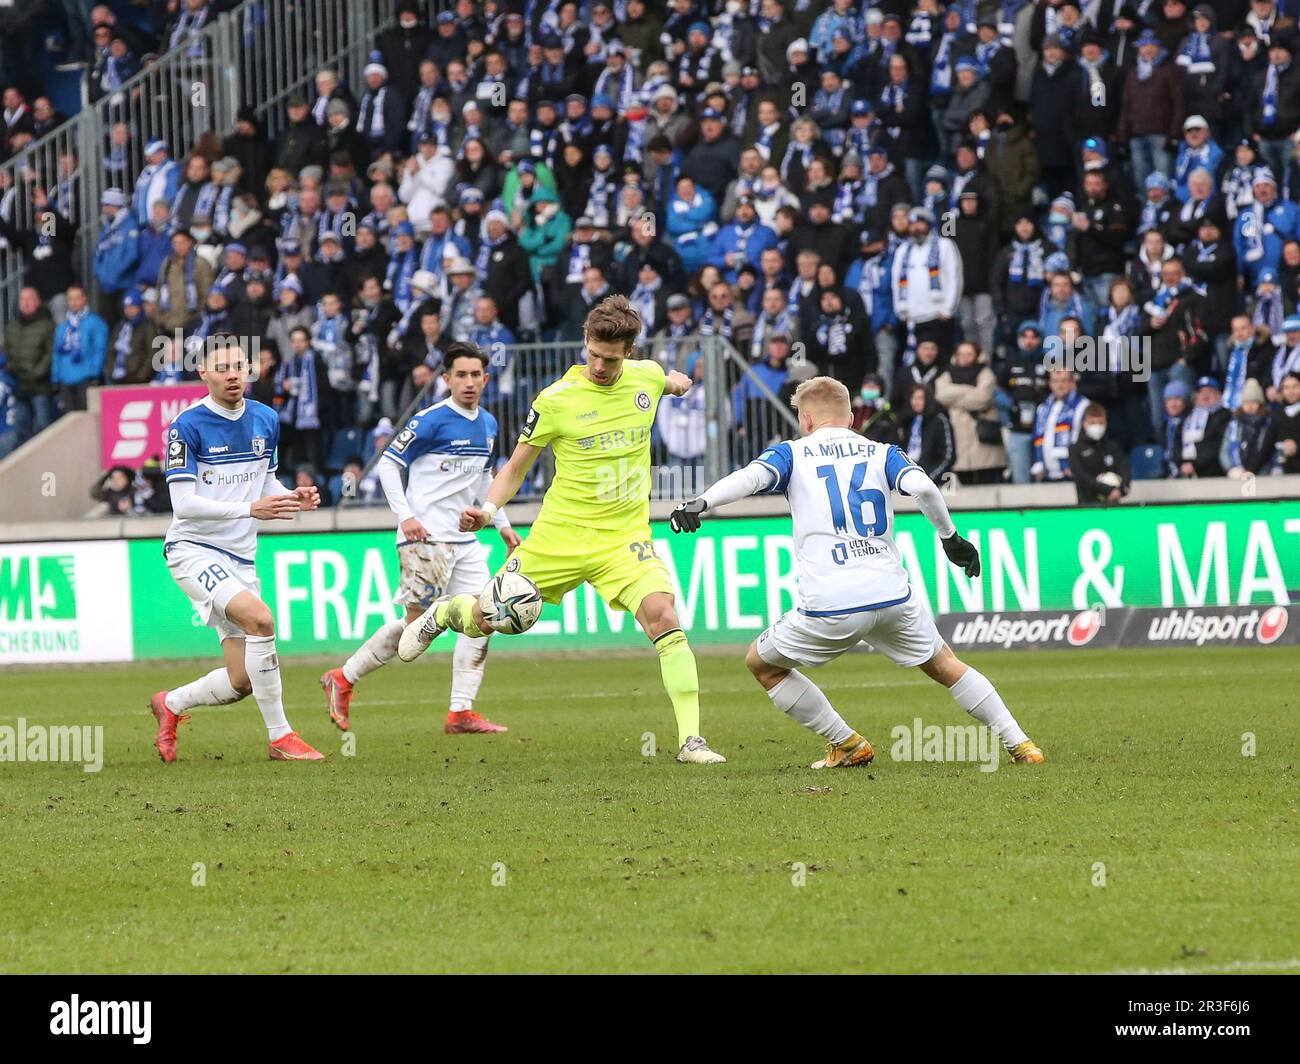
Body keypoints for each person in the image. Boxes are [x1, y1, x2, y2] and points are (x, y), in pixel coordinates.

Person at [398, 296, 726, 765]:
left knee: (664, 615)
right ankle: (447, 613)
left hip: (623, 539)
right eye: (593, 354)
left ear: (628, 352)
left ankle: (691, 740)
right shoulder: (555, 400)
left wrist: (675, 383)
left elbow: (665, 380)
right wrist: (489, 510)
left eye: (610, 360)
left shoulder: (646, 377)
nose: (598, 366)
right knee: (490, 620)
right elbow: (514, 468)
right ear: (586, 342)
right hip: (558, 538)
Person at [666, 376, 1043, 769]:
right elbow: (927, 489)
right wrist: (951, 538)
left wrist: (701, 502)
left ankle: (845, 742)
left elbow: (750, 478)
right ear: (849, 417)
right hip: (892, 595)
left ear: (807, 419)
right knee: (945, 663)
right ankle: (1021, 744)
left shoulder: (793, 453)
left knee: (761, 664)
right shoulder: (882, 452)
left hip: (831, 603)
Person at [321, 344, 520, 735]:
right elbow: (389, 464)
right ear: (445, 379)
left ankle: (460, 711)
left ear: (486, 379)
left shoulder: (489, 424)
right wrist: (406, 516)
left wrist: (501, 522)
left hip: (465, 541)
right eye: (460, 375)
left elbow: (484, 478)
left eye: (475, 375)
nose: (468, 382)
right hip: (425, 537)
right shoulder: (430, 420)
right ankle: (343, 678)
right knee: (417, 628)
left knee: (487, 616)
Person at [148, 340, 326, 764]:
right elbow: (184, 505)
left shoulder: (266, 418)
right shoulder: (186, 426)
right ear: (203, 375)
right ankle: (281, 737)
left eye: (239, 366)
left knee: (241, 680)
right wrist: (253, 509)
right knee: (262, 619)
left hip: (241, 557)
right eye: (221, 367)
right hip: (193, 550)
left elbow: (265, 480)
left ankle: (170, 703)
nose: (232, 374)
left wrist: (289, 496)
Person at [933, 340, 1006, 485]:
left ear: (977, 355)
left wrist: (954, 398)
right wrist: (969, 390)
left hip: (984, 441)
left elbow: (982, 399)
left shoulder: (986, 373)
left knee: (987, 484)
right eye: (961, 354)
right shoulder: (947, 374)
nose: (965, 357)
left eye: (969, 354)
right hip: (960, 441)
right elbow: (940, 394)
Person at [1068, 404, 1132, 504]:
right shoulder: (1075, 449)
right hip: (1087, 506)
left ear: (1106, 423)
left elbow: (1125, 471)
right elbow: (1081, 477)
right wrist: (1107, 490)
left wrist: (1121, 490)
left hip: (1114, 505)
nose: (1097, 426)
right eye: (1092, 423)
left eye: (1100, 423)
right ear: (1084, 423)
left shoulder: (1113, 447)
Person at [1031, 368, 1087, 482]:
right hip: (1046, 474)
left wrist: (1072, 465)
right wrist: (1038, 463)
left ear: (1072, 383)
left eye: (1064, 381)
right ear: (1050, 384)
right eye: (1055, 381)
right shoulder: (1043, 408)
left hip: (1071, 473)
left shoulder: (1082, 405)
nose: (1060, 385)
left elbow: (1083, 440)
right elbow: (1037, 438)